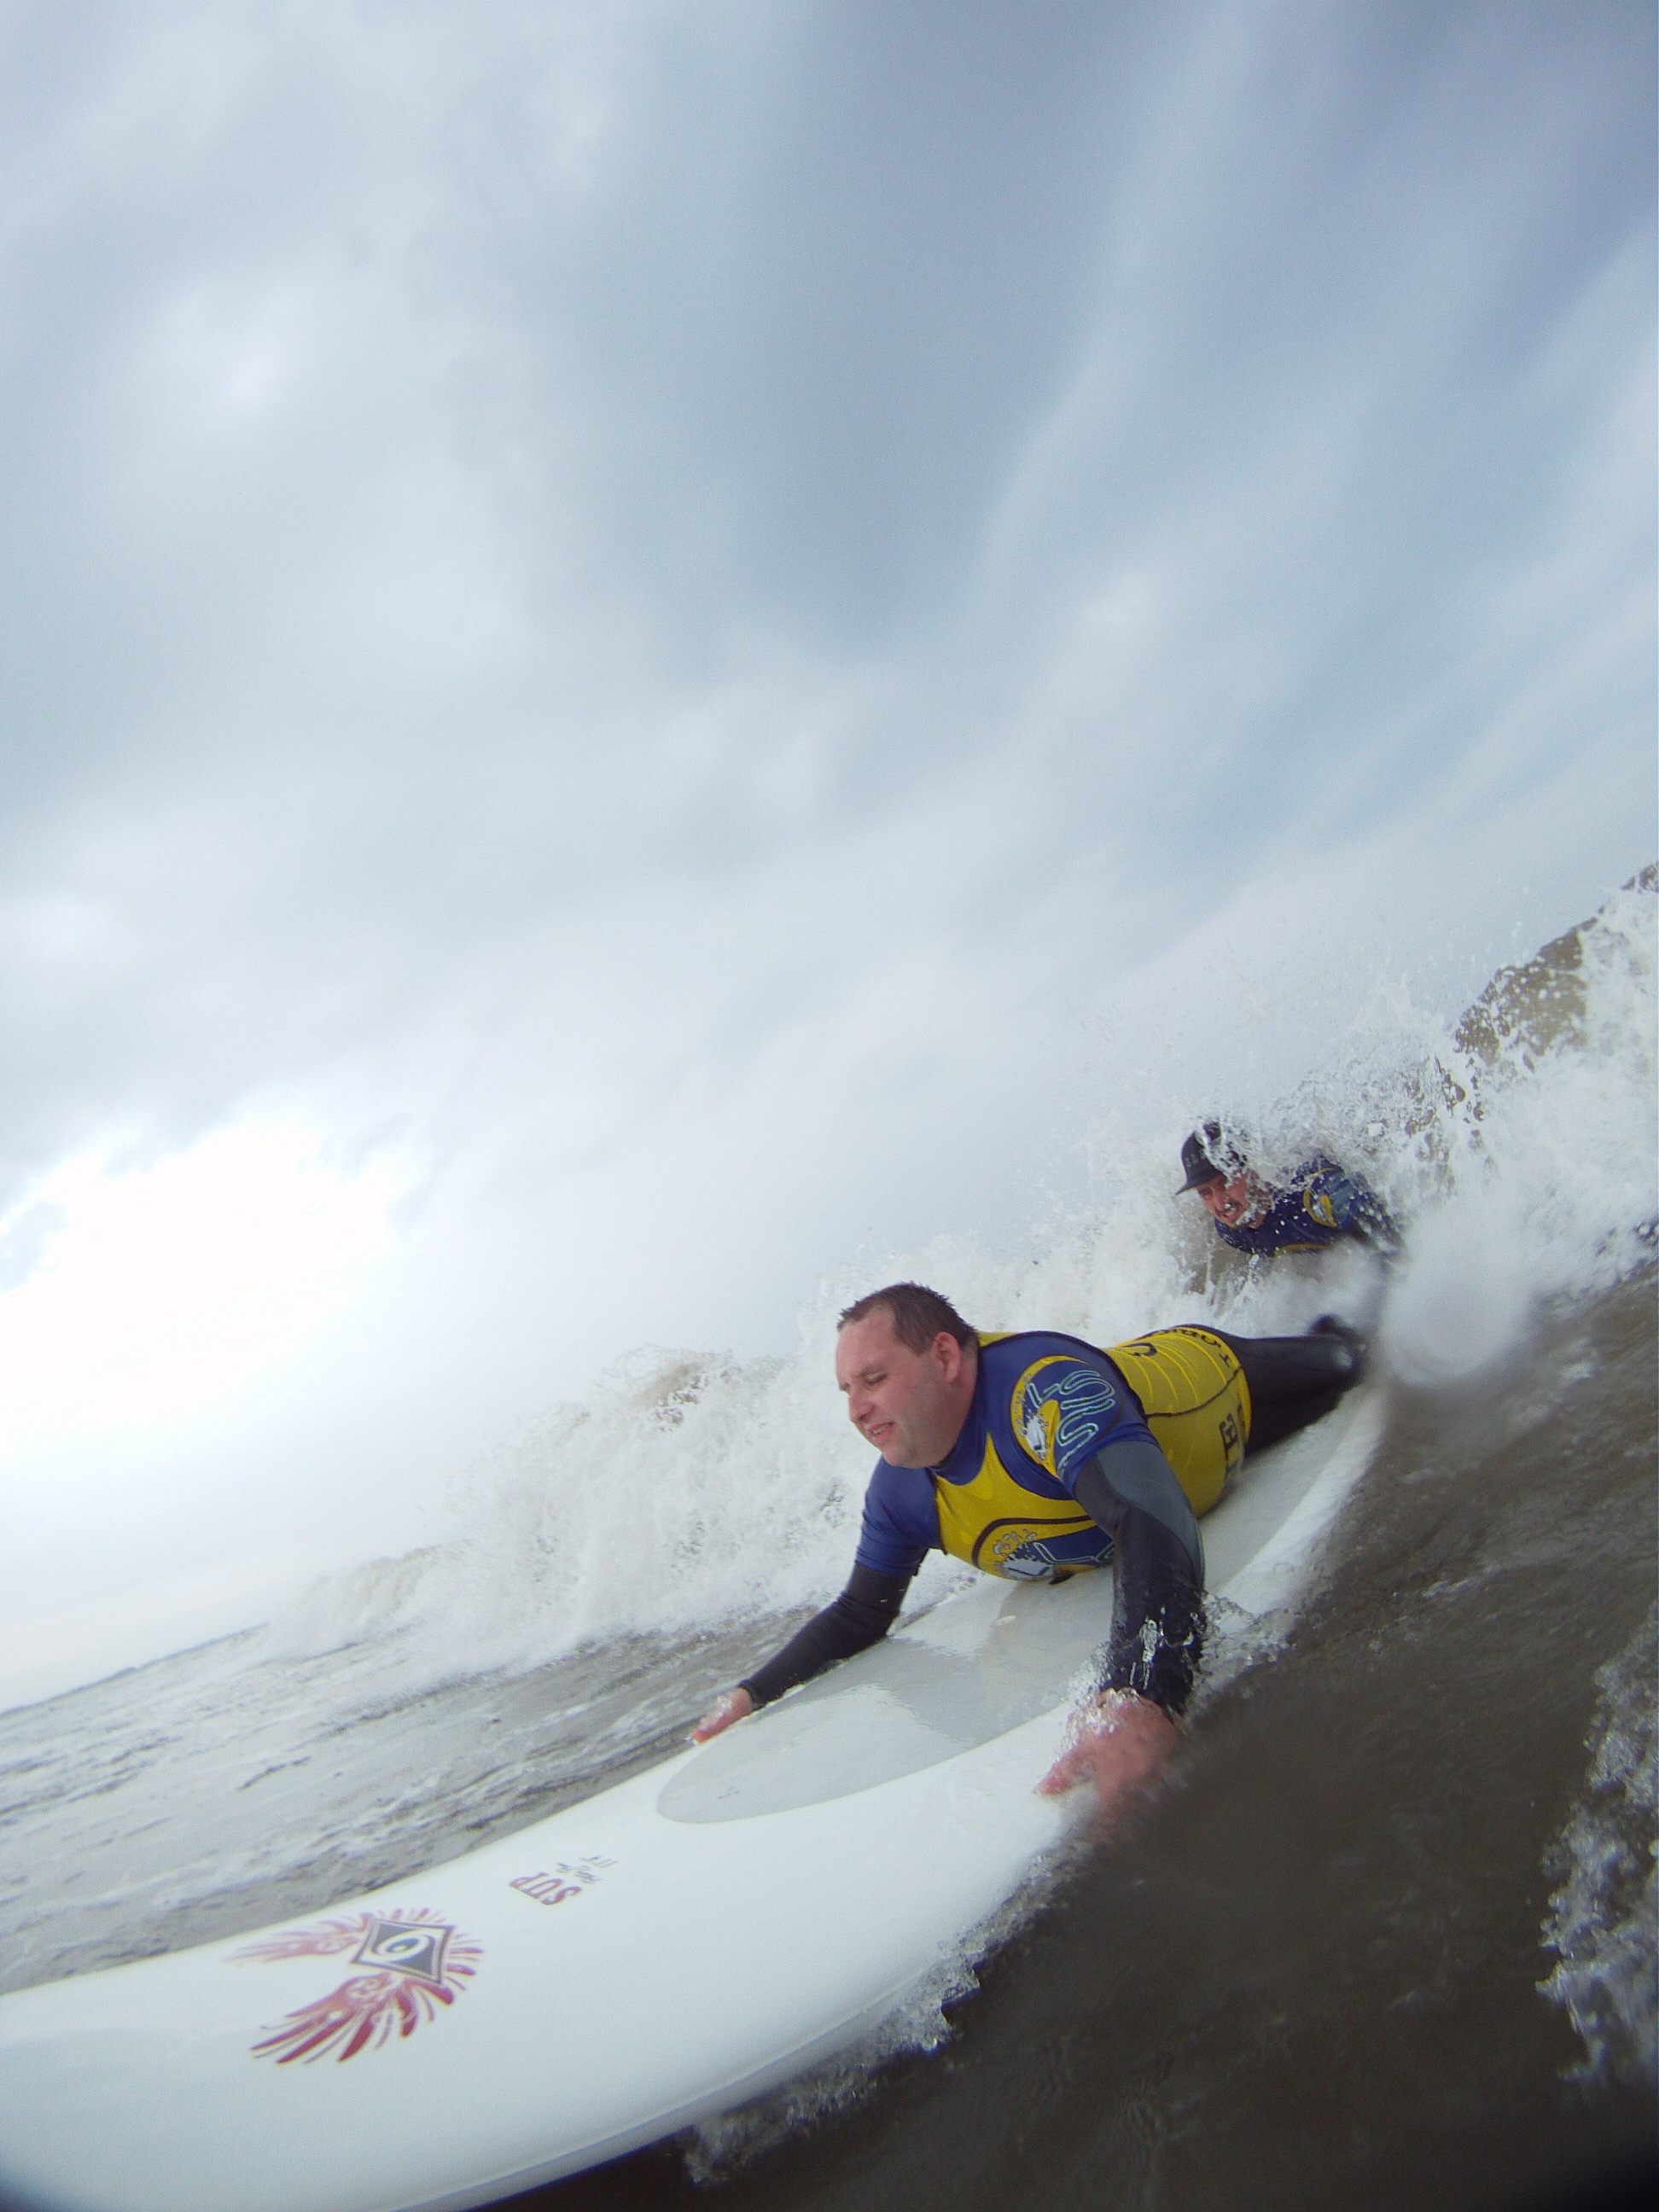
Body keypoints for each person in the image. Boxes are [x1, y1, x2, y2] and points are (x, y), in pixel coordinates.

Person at [691, 1282, 1365, 1819]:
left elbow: (1150, 1515)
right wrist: (755, 1692)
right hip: (1166, 1420)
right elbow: (861, 1614)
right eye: (847, 1391)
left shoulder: (1044, 1393)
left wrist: (1141, 1695)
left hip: (1216, 1384)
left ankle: (1336, 1324)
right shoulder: (900, 1494)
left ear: (947, 1358)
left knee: (1349, 1363)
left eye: (874, 1379)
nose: (857, 1410)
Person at [1174, 1121, 1399, 1260]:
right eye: (1206, 1193)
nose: (1220, 1203)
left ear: (1252, 1168)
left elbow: (1393, 1245)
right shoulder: (1232, 1231)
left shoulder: (1317, 1194)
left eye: (1225, 1182)